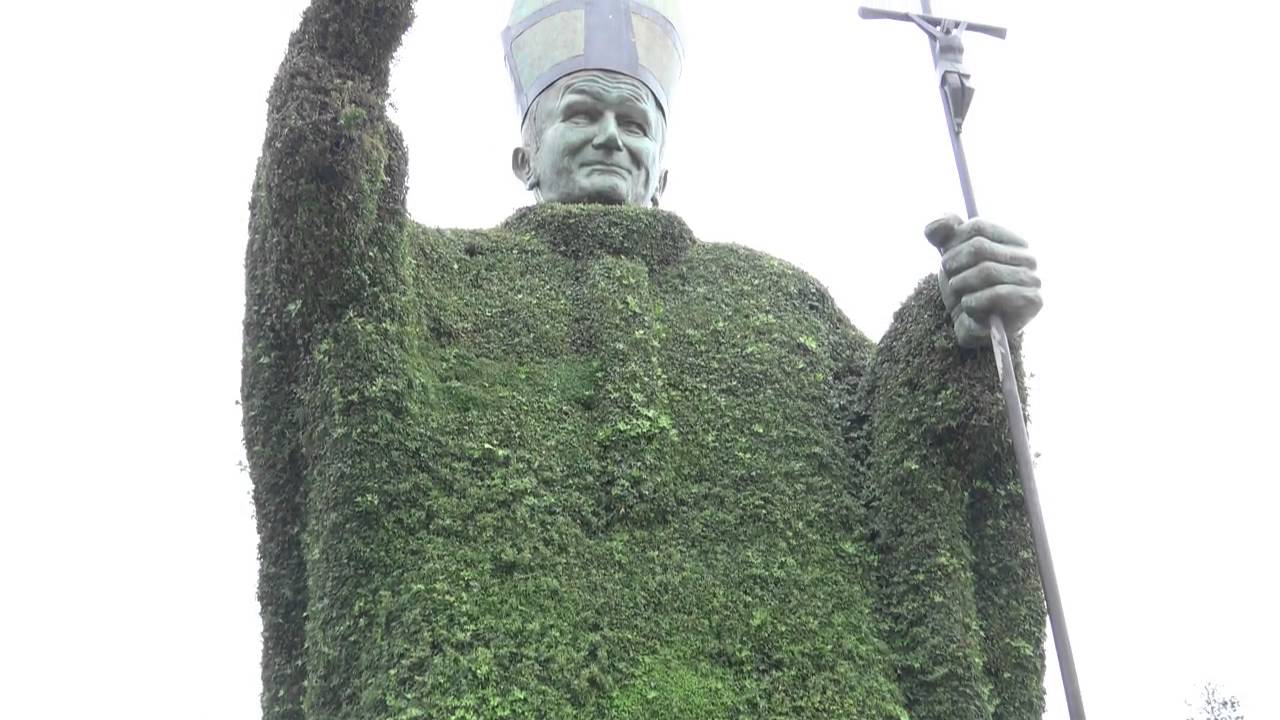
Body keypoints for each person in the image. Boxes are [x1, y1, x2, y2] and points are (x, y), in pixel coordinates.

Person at [243, 1, 1046, 718]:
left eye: (634, 124)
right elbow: (320, 228)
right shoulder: (425, 279)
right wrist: (354, 30)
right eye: (580, 112)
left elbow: (900, 457)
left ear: (663, 168)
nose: (608, 136)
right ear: (523, 158)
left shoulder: (778, 298)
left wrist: (959, 329)